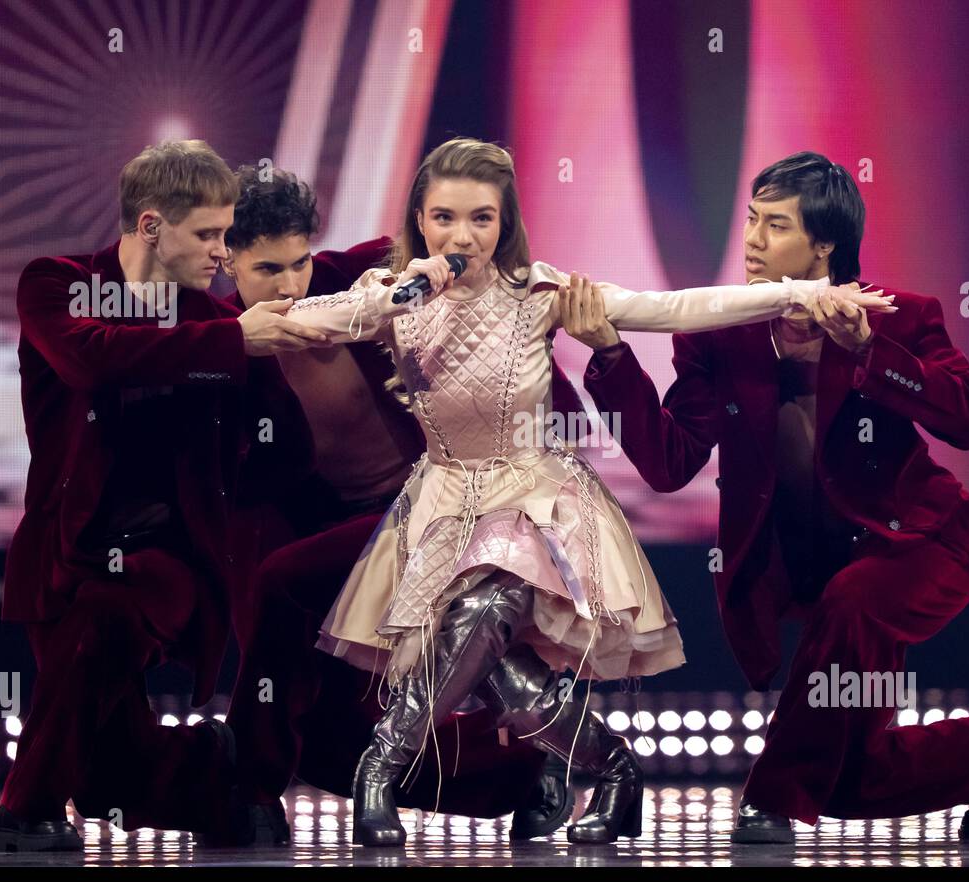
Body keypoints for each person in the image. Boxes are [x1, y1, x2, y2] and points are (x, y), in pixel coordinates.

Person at [283, 137, 891, 846]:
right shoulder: (389, 296)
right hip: (443, 499)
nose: (463, 235)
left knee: (489, 602)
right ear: (420, 219)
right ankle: (611, 768)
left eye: (482, 218)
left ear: (504, 222)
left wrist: (802, 292)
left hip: (535, 498)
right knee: (487, 656)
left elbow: (674, 308)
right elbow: (298, 323)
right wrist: (389, 293)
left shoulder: (539, 292)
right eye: (445, 217)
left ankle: (380, 766)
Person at [568, 151, 969, 843]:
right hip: (817, 575)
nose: (750, 239)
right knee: (850, 782)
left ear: (824, 243)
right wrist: (608, 355)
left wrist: (871, 352)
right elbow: (668, 464)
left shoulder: (897, 317)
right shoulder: (719, 335)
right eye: (751, 219)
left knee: (851, 605)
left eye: (774, 225)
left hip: (920, 548)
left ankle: (768, 797)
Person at [218, 165, 582, 843]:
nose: (290, 286)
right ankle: (534, 766)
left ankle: (244, 786)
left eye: (299, 263)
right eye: (268, 269)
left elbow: (476, 270)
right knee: (334, 748)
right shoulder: (219, 341)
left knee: (281, 583)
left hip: (437, 505)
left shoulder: (367, 281)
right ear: (225, 259)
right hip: (337, 539)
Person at [0, 140, 325, 852]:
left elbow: (288, 450)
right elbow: (89, 358)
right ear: (150, 226)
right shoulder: (55, 283)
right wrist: (228, 341)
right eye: (208, 233)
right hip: (62, 551)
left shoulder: (216, 320)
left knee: (107, 618)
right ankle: (216, 771)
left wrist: (217, 506)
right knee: (109, 778)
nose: (220, 250)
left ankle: (24, 815)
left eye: (225, 233)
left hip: (165, 557)